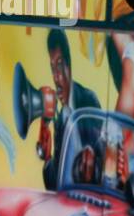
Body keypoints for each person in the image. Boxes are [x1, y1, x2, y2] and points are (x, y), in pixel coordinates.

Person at [42, 29, 101, 190]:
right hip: (64, 208)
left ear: (69, 66)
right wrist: (47, 159)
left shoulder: (88, 100)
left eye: (60, 65)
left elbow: (100, 154)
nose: (56, 76)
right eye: (52, 68)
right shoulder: (60, 120)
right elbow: (53, 186)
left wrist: (91, 157)